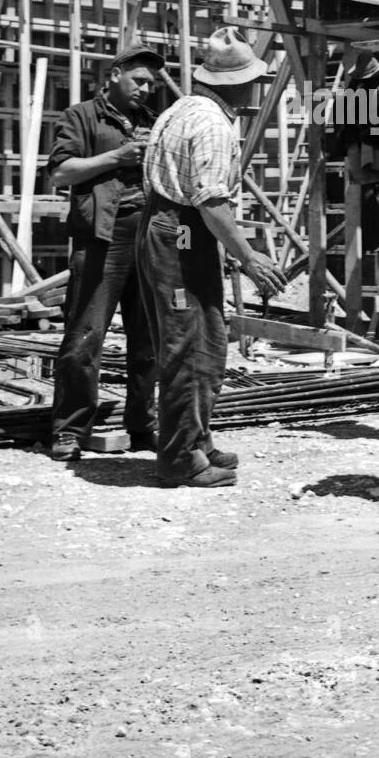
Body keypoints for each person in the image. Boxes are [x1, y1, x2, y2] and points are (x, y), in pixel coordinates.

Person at [138, 27, 287, 488]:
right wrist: (250, 258)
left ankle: (195, 438)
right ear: (235, 84)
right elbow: (210, 201)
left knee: (207, 338)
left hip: (171, 229)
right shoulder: (212, 125)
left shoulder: (183, 107)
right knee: (186, 344)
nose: (255, 90)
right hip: (180, 233)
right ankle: (179, 457)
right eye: (251, 81)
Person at [46, 44, 165, 462]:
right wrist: (118, 156)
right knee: (85, 336)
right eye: (139, 80)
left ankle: (142, 425)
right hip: (102, 237)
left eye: (152, 83)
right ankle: (70, 431)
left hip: (148, 236)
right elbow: (60, 173)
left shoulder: (151, 122)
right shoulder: (81, 117)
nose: (147, 89)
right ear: (114, 75)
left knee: (148, 339)